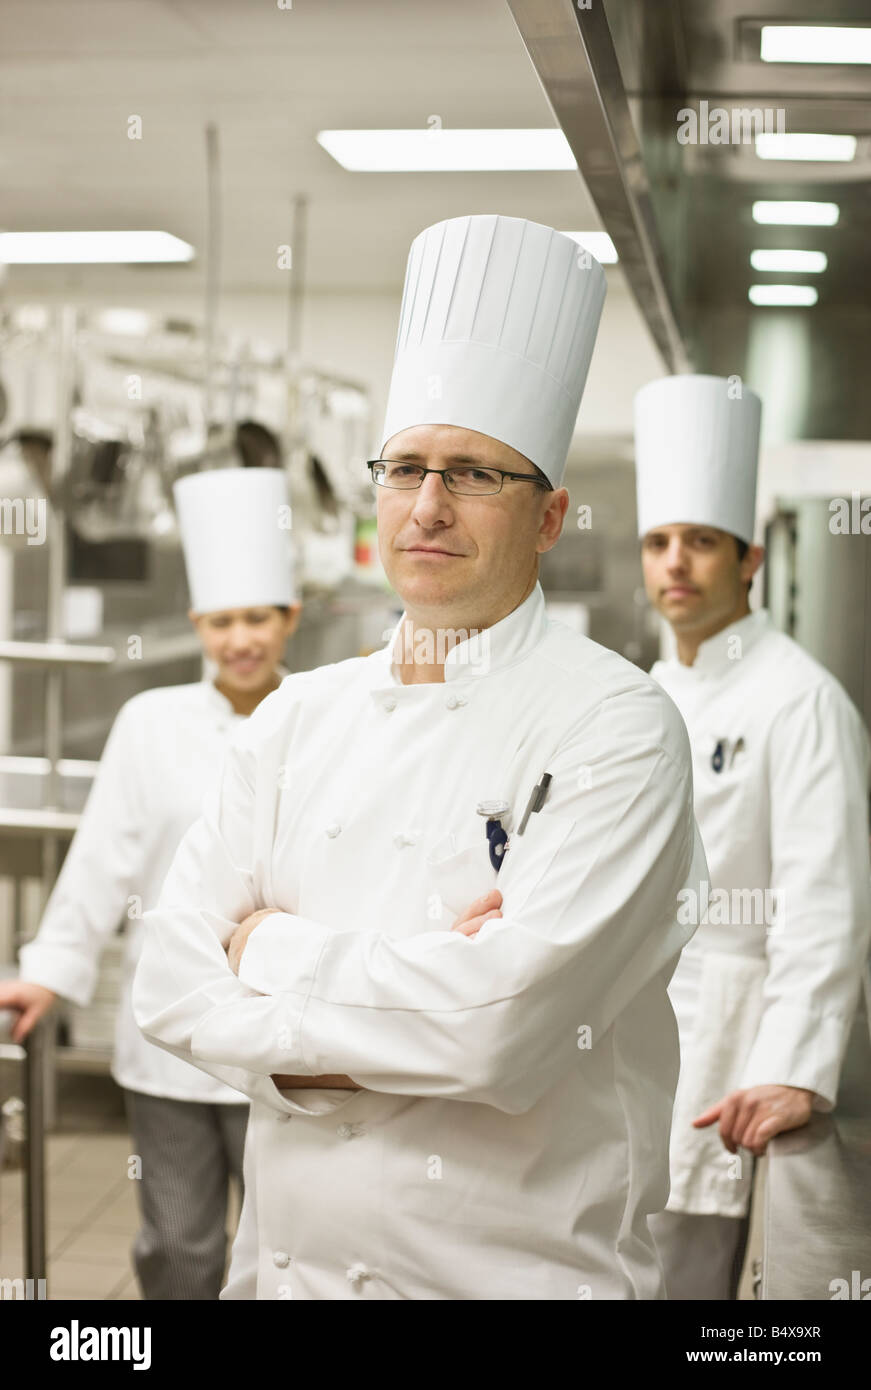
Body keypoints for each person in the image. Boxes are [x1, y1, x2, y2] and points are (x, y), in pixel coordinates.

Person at [134, 213, 707, 1301]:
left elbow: (498, 1032)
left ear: (549, 516)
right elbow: (166, 984)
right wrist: (423, 998)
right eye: (405, 469)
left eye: (474, 475)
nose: (429, 507)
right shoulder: (297, 716)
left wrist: (265, 949)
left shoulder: (617, 726)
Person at [0, 466, 300, 1299]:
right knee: (178, 1247)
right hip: (167, 1035)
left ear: (289, 618)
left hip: (281, 1026)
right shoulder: (151, 723)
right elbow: (103, 859)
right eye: (222, 622)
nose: (240, 640)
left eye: (257, 618)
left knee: (285, 1248)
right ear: (198, 625)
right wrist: (50, 972)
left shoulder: (319, 715)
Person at [634, 373, 871, 1300]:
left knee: (692, 1294)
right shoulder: (642, 696)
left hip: (732, 1055)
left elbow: (825, 902)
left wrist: (792, 1068)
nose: (676, 563)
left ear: (749, 560)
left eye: (700, 541)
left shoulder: (799, 699)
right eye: (659, 542)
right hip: (630, 1045)